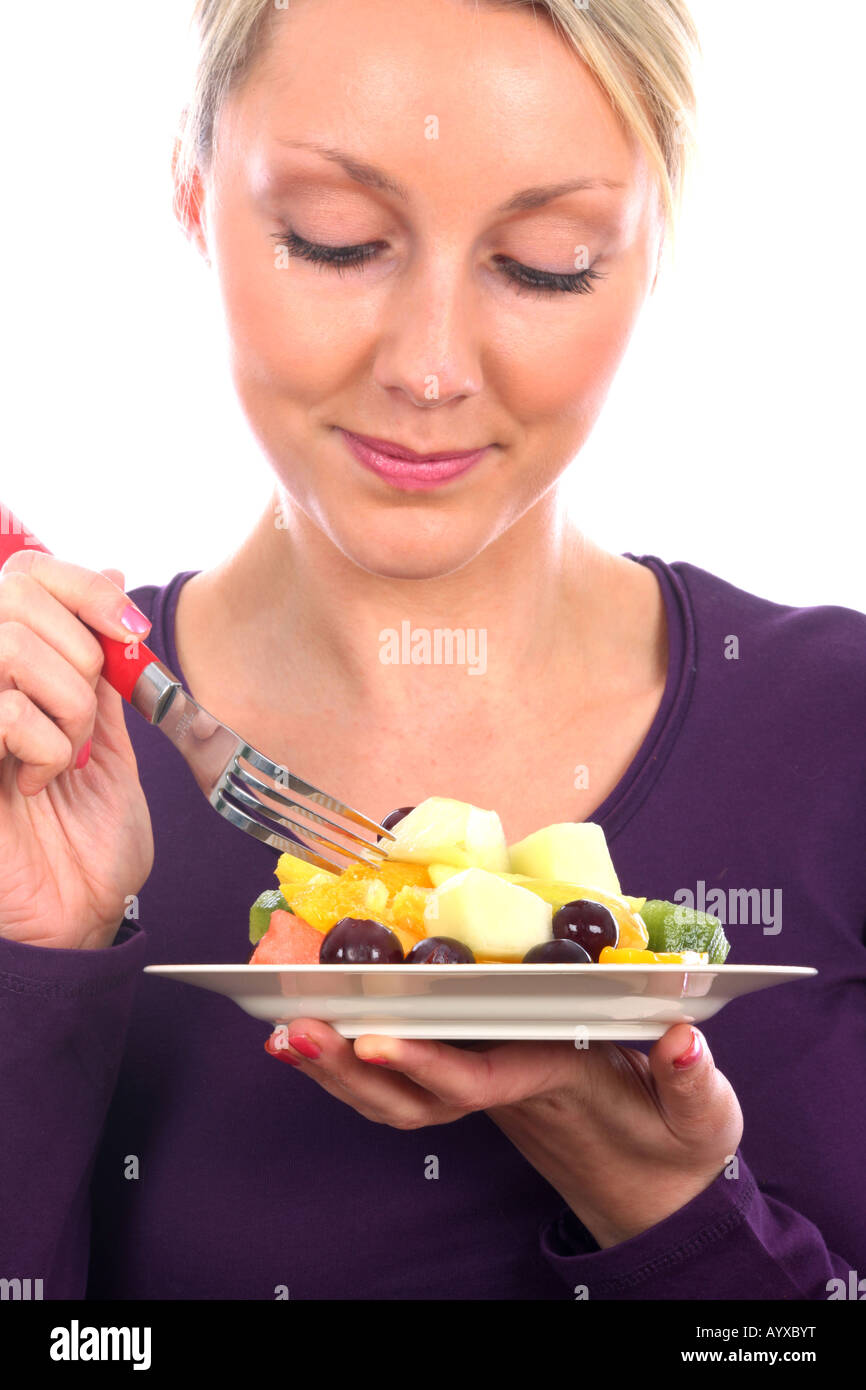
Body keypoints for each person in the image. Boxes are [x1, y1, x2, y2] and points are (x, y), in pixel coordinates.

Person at [1, 0, 863, 1301]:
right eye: (335, 242)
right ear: (193, 200)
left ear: (646, 256)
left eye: (543, 262)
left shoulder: (837, 734)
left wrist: (667, 1206)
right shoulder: (42, 777)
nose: (429, 366)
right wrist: (36, 977)